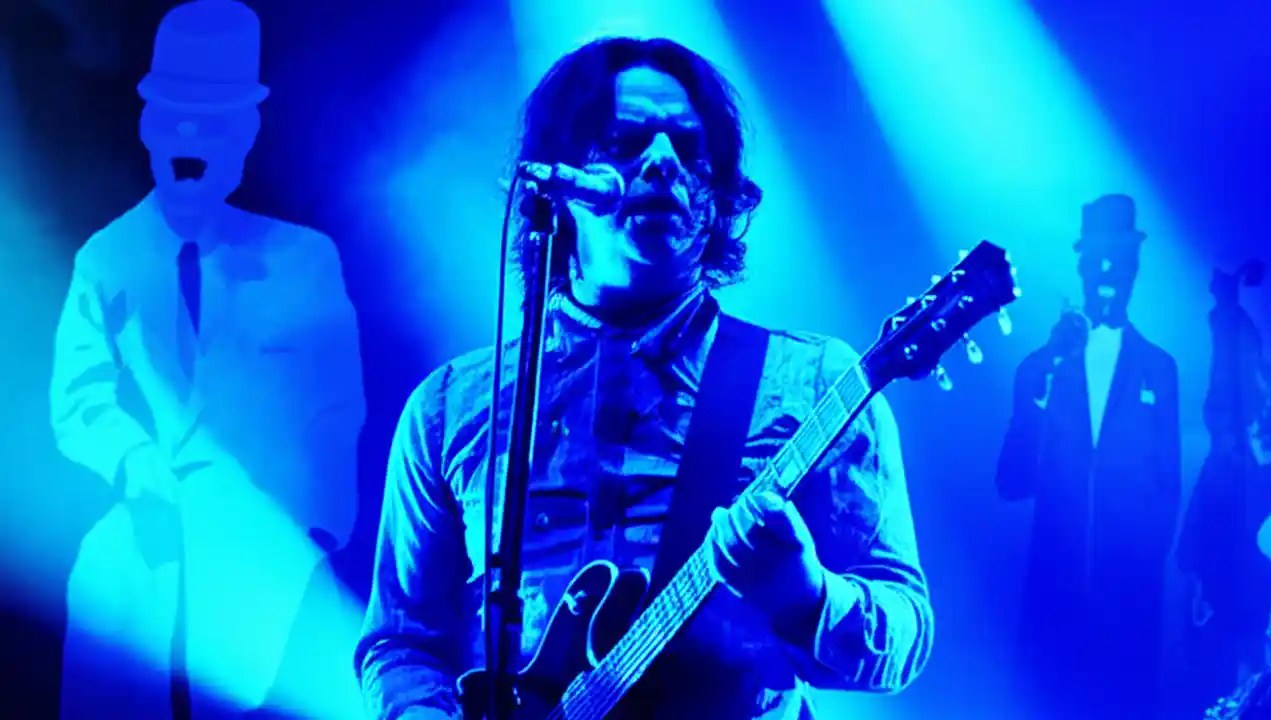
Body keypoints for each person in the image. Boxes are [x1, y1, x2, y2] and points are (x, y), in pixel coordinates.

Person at [356, 37, 933, 720]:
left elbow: (905, 634)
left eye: (689, 151)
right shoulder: (451, 407)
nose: (661, 164)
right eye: (625, 142)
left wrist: (803, 594)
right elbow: (402, 640)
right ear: (560, 178)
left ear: (718, 194)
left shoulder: (812, 384)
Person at [49, 1, 366, 717]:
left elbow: (336, 409)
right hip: (143, 551)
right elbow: (80, 395)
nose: (190, 139)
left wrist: (310, 536)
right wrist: (129, 458)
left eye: (214, 121)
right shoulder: (107, 259)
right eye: (174, 117)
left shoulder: (303, 262)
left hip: (269, 562)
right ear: (147, 124)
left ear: (247, 131)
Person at [995, 194, 1181, 720]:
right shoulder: (1041, 368)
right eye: (1095, 258)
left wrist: (1144, 570)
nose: (1106, 272)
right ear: (1078, 266)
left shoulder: (1160, 369)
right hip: (1055, 596)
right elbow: (1011, 482)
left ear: (1135, 268)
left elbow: (1169, 484)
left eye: (1118, 260)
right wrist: (1039, 385)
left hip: (1129, 604)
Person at [1177, 259, 1271, 713]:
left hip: (1263, 592)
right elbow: (1225, 381)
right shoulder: (1227, 458)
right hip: (1234, 583)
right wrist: (1199, 576)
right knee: (1241, 664)